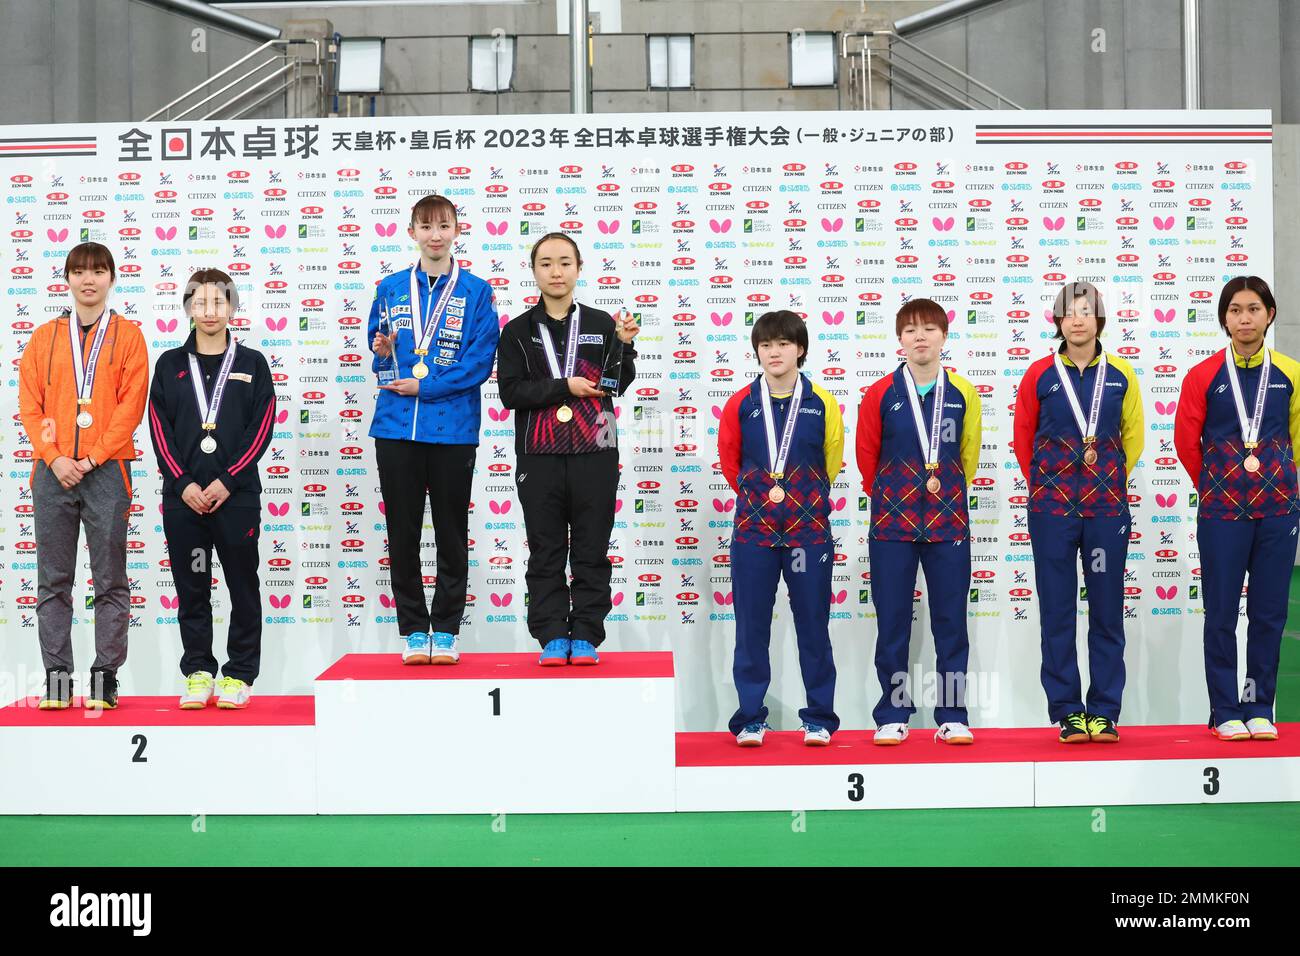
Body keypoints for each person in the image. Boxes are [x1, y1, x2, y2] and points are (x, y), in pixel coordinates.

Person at [369, 194, 500, 664]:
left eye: (443, 225)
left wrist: (428, 388)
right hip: (395, 427)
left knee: (451, 529)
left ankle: (444, 628)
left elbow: (481, 360)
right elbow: (378, 347)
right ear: (411, 233)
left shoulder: (477, 292)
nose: (435, 235)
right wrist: (383, 351)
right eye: (426, 227)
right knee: (401, 531)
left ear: (457, 230)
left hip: (453, 429)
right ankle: (411, 629)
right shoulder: (390, 287)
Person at [497, 233, 639, 665]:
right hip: (538, 456)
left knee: (592, 549)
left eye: (564, 262)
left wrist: (624, 345)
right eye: (546, 263)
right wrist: (564, 386)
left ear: (579, 268)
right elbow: (510, 392)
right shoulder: (518, 331)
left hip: (595, 451)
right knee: (546, 548)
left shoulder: (601, 324)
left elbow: (615, 384)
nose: (556, 272)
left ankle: (588, 634)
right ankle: (553, 634)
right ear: (534, 270)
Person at [18, 242, 148, 710]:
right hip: (51, 472)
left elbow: (130, 408)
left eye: (97, 271)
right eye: (79, 271)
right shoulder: (43, 338)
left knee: (110, 578)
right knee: (54, 578)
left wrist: (90, 459)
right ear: (67, 279)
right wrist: (54, 458)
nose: (88, 279)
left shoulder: (129, 336)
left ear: (112, 278)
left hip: (107, 469)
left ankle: (104, 676)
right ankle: (56, 676)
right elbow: (29, 407)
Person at [1014, 281, 1143, 743]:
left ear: (1099, 319)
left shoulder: (1121, 374)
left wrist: (1107, 482)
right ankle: (1068, 709)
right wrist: (1048, 487)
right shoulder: (1039, 375)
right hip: (1051, 508)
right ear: (1058, 321)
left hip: (1106, 508)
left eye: (1087, 311)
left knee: (1107, 609)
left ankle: (1104, 709)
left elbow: (1133, 439)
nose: (1078, 319)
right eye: (1069, 312)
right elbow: (1023, 439)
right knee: (1058, 608)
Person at [1175, 276, 1297, 742]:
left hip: (1278, 511)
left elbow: (1296, 440)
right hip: (1221, 514)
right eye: (1234, 310)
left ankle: (1258, 704)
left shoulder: (1289, 373)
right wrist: (1217, 486)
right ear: (1224, 319)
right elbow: (1188, 444)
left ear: (1269, 314)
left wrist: (1278, 482)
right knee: (1221, 613)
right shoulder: (1202, 376)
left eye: (1253, 308)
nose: (1244, 318)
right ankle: (1224, 708)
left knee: (1268, 614)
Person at [856, 298, 982, 745]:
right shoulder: (880, 394)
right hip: (892, 525)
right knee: (893, 622)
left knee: (951, 621)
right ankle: (893, 712)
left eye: (929, 328)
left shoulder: (964, 393)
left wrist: (941, 493)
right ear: (899, 340)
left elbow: (967, 455)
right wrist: (895, 497)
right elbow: (866, 458)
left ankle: (953, 713)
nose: (920, 337)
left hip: (948, 523)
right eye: (911, 330)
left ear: (944, 336)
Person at [148, 270, 275, 709]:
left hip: (235, 500)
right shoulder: (169, 365)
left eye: (218, 302)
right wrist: (182, 483)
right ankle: (199, 671)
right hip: (184, 503)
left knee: (242, 585)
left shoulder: (252, 363)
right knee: (193, 585)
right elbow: (159, 431)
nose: (209, 311)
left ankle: (239, 674)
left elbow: (260, 430)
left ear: (233, 307)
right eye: (199, 303)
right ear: (187, 307)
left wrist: (227, 479)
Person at [718, 310, 843, 746]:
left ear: (800, 349)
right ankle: (751, 717)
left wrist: (800, 502)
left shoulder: (822, 402)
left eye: (784, 343)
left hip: (808, 533)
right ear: (756, 350)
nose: (775, 351)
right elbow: (730, 462)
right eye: (767, 344)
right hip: (754, 533)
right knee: (751, 626)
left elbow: (831, 462)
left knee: (813, 623)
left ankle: (820, 718)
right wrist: (763, 498)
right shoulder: (741, 403)